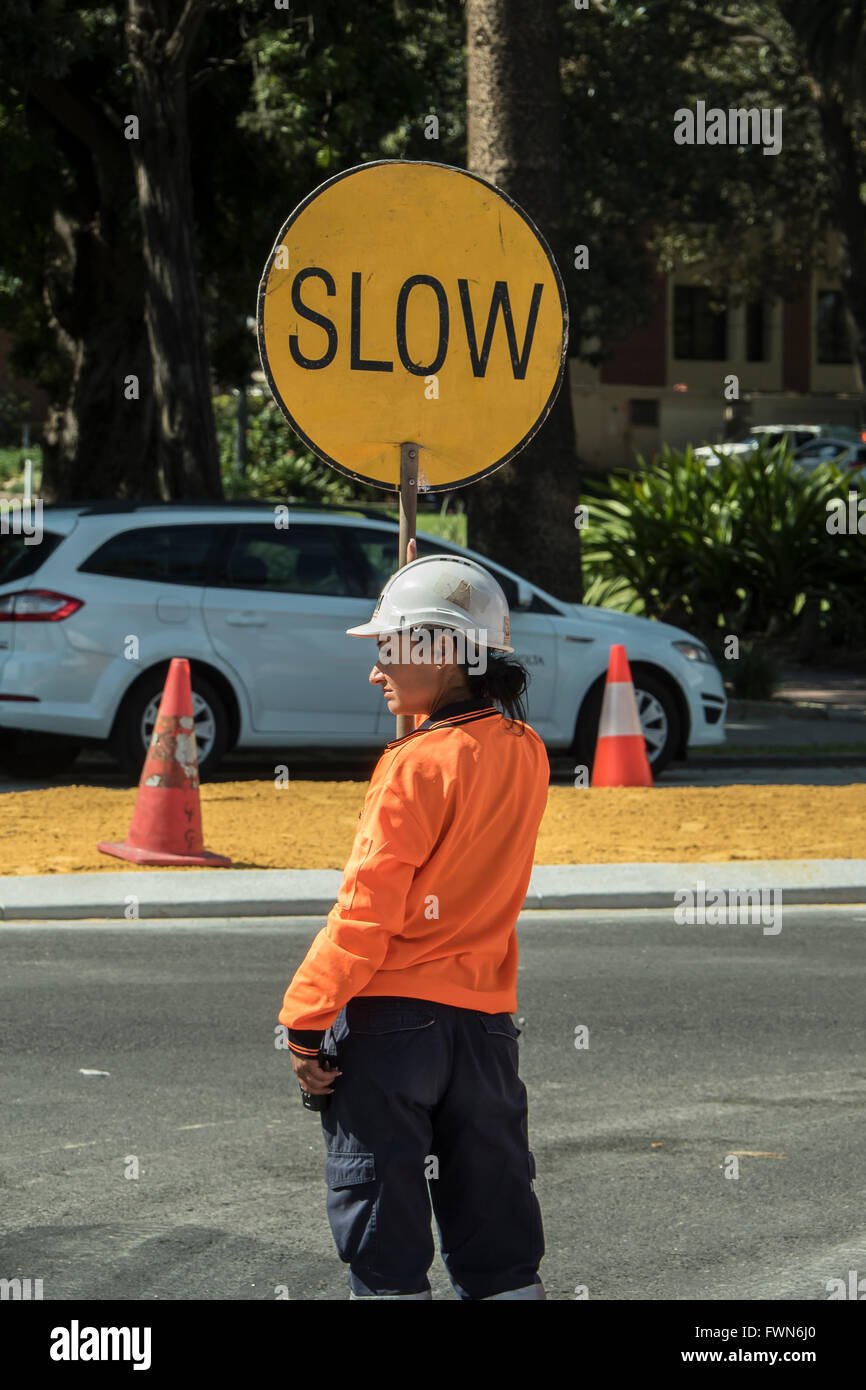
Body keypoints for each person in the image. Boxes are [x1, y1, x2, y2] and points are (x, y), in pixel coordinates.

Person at [278, 546, 550, 1299]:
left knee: (385, 1241)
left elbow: (369, 907)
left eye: (390, 648)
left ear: (440, 649)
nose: (375, 670)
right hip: (486, 1028)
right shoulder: (527, 752)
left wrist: (305, 1020)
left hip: (392, 1026)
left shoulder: (414, 762)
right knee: (498, 1235)